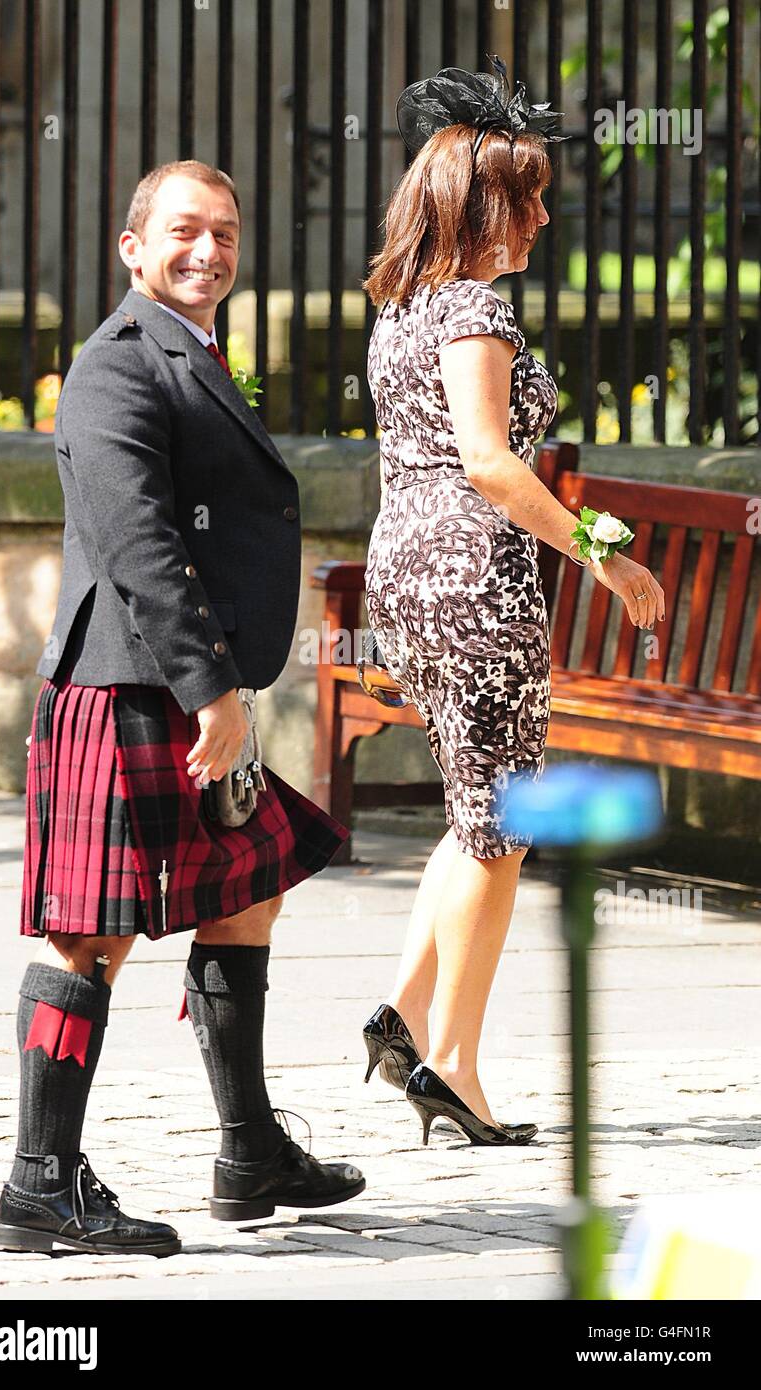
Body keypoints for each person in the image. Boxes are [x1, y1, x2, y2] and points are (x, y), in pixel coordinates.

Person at [0, 159, 365, 1257]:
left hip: (184, 692)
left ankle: (249, 1151)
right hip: (128, 689)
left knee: (249, 887)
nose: (209, 252)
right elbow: (138, 542)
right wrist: (212, 689)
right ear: (131, 248)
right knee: (89, 936)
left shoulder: (188, 351)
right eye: (184, 232)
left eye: (226, 234)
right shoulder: (115, 365)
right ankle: (38, 1187)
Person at [360, 61, 665, 1146]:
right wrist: (604, 557)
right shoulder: (474, 309)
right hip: (471, 578)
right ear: (478, 205)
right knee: (501, 830)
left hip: (403, 571)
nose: (541, 215)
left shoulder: (399, 306)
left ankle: (401, 1014)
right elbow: (489, 464)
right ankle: (451, 1063)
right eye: (525, 197)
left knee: (469, 805)